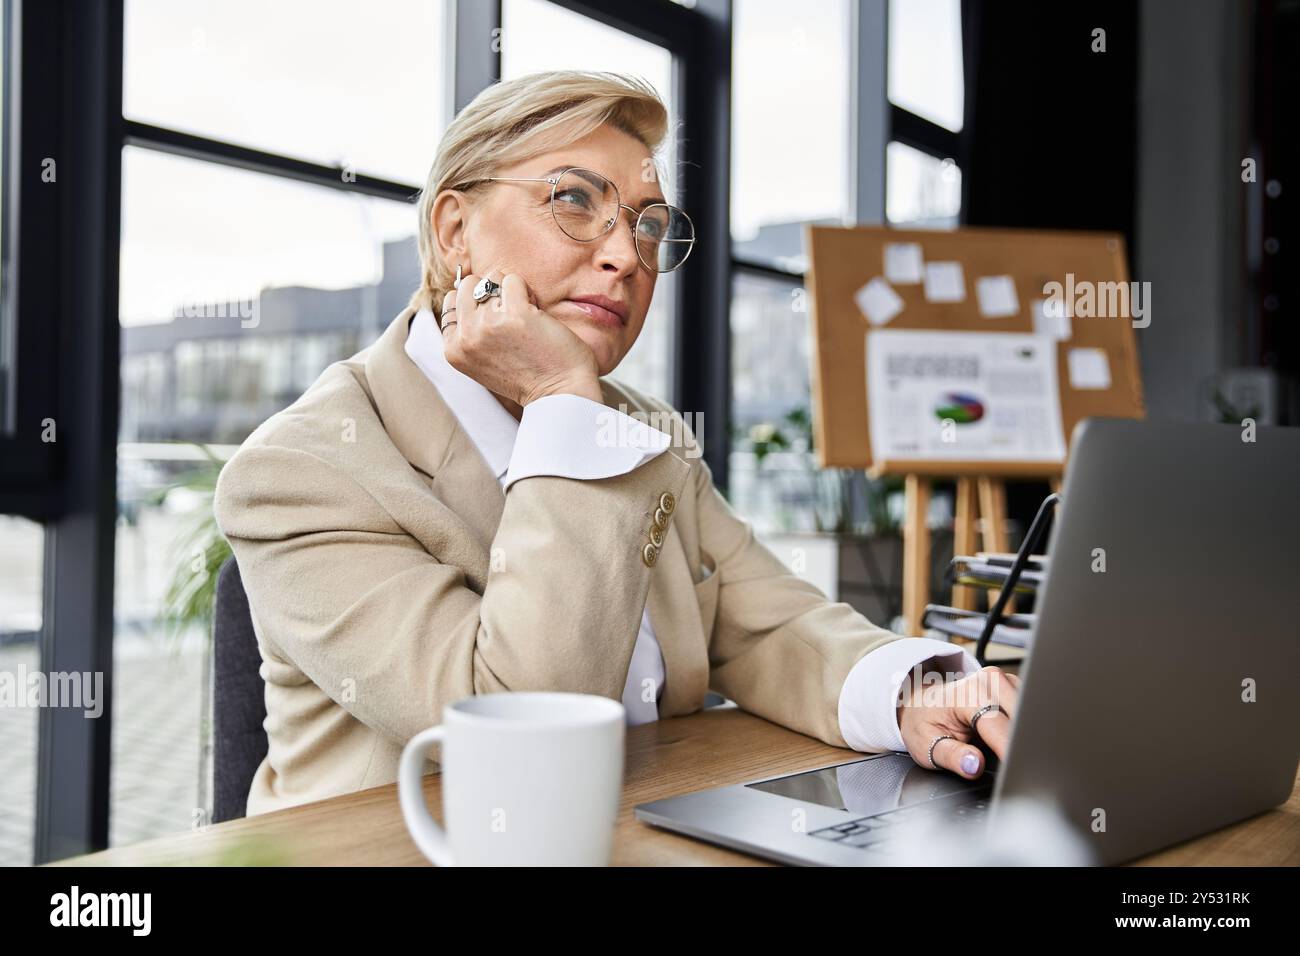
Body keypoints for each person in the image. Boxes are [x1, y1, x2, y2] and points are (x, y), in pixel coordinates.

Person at [213, 70, 1018, 817]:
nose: (623, 258)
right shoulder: (302, 470)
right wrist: (562, 405)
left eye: (647, 226)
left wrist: (918, 690)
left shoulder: (649, 433)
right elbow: (515, 725)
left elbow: (770, 626)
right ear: (455, 232)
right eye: (572, 200)